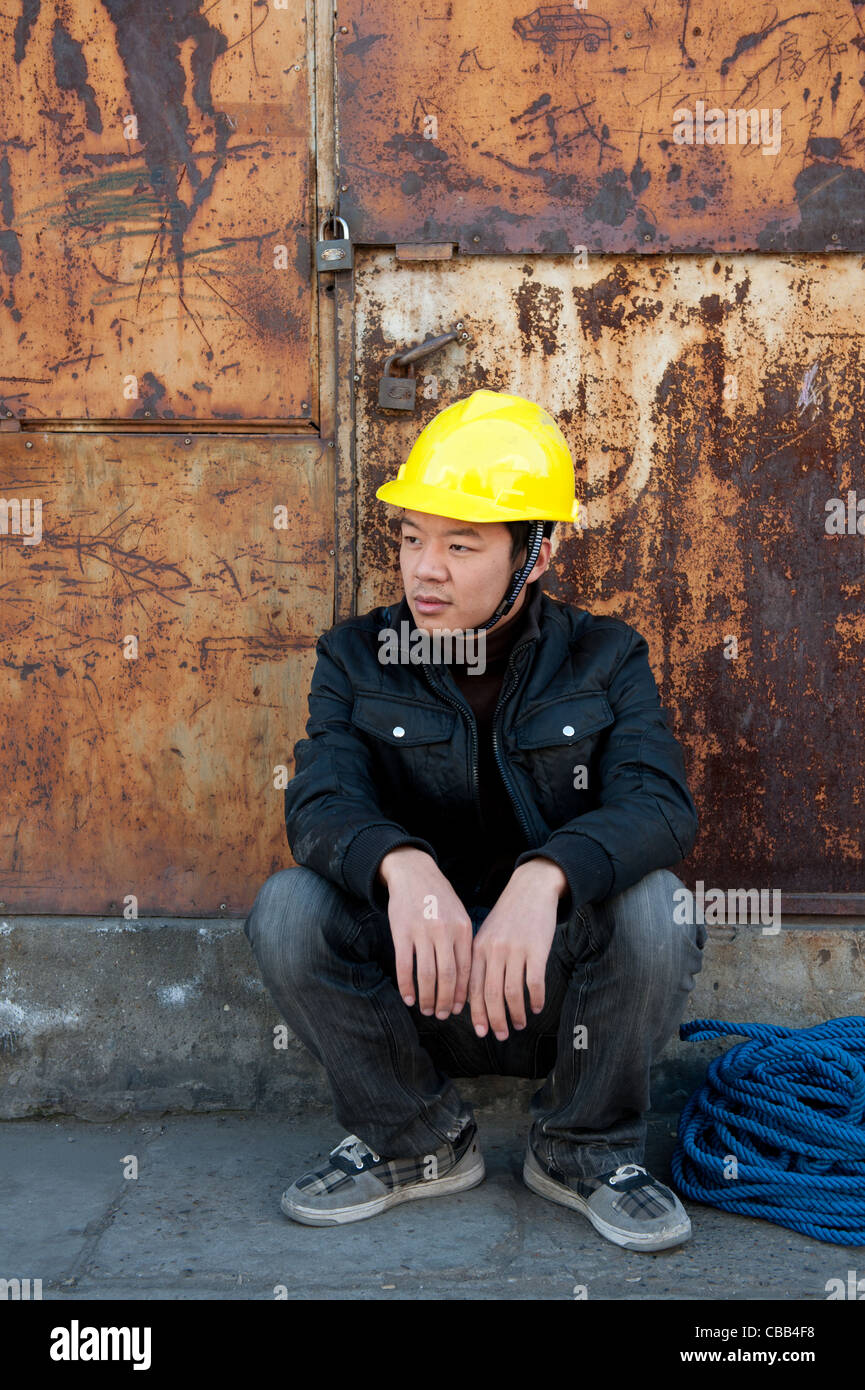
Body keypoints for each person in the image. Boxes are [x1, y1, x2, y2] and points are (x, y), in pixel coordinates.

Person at [243, 389, 705, 1252]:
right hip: (420, 981)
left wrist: (546, 876)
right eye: (413, 538)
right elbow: (319, 801)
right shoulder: (354, 654)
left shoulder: (607, 655)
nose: (425, 569)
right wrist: (404, 869)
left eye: (461, 545)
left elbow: (657, 805)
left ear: (536, 551)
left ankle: (583, 1149)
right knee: (287, 907)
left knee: (660, 906)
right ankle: (413, 1142)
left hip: (557, 987)